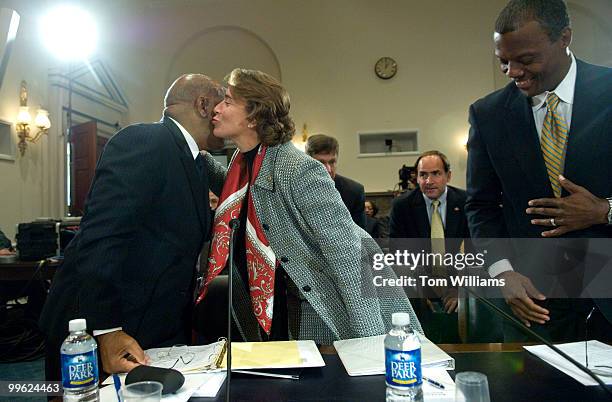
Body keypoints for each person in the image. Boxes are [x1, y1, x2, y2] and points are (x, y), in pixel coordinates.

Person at [196, 68, 421, 344]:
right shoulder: (242, 161)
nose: (217, 108)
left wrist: (371, 340)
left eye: (228, 101)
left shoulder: (300, 169)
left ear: (254, 115)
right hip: (273, 304)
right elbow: (247, 197)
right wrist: (194, 153)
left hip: (314, 310)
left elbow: (347, 253)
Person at [39, 74, 225, 381]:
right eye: (221, 104)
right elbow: (102, 238)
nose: (223, 115)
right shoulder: (145, 141)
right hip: (97, 333)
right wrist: (107, 330)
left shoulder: (196, 162)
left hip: (151, 329)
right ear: (203, 105)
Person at [465, 0, 612, 341]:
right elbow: (480, 206)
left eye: (526, 60)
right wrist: (502, 273)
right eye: (504, 62)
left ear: (564, 38)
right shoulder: (488, 115)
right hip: (536, 303)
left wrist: (604, 211)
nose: (514, 71)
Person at [390, 151, 470, 343]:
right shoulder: (403, 206)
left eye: (436, 173)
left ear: (448, 176)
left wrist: (462, 290)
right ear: (416, 178)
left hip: (460, 287)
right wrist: (417, 292)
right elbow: (399, 254)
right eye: (423, 175)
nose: (429, 181)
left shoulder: (466, 202)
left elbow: (476, 251)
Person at [305, 134, 366, 229]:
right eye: (321, 163)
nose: (328, 169)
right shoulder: (294, 189)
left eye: (332, 162)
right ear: (308, 163)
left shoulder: (354, 191)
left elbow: (361, 235)